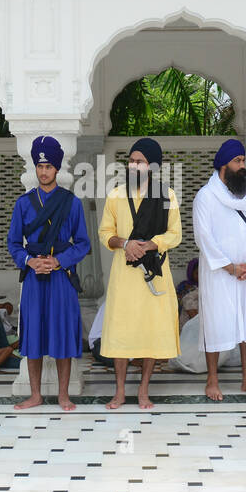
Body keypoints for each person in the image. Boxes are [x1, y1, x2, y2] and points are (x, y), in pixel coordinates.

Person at [7, 136, 91, 411]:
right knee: (33, 335)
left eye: (48, 166)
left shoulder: (71, 203)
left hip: (61, 277)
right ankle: (35, 395)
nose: (43, 171)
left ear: (56, 169)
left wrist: (58, 261)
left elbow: (83, 243)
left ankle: (64, 395)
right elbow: (13, 243)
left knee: (64, 334)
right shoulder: (23, 203)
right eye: (39, 166)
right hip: (34, 277)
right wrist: (29, 261)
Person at [98, 137, 182, 410]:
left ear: (152, 166)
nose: (134, 166)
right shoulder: (115, 196)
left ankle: (144, 390)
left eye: (140, 162)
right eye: (131, 161)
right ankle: (120, 391)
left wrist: (150, 244)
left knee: (151, 333)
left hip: (154, 274)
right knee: (121, 333)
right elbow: (105, 234)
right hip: (124, 276)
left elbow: (175, 234)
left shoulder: (167, 196)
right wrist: (126, 244)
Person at [192, 138, 246, 401]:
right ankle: (212, 379)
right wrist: (230, 267)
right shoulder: (206, 196)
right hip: (219, 273)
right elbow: (204, 237)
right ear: (223, 165)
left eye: (243, 160)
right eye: (237, 161)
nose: (242, 165)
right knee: (216, 323)